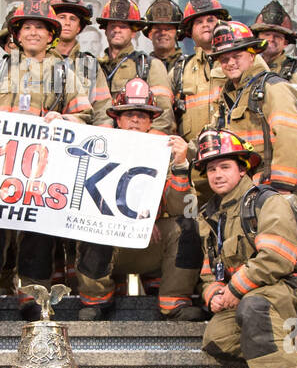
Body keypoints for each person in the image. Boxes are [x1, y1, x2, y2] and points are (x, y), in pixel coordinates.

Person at [0, 0, 95, 325]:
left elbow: (86, 118)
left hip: (43, 172)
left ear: (51, 35)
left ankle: (34, 297)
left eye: (41, 28)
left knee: (39, 235)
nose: (33, 33)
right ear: (16, 34)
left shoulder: (65, 74)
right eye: (27, 27)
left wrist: (66, 120)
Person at [193, 128, 297, 368]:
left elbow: (278, 258)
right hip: (248, 293)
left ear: (242, 169)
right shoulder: (210, 216)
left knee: (254, 308)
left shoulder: (267, 201)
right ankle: (295, 346)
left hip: (292, 287)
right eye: (211, 169)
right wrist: (214, 294)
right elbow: (209, 271)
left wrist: (235, 288)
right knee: (217, 338)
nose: (217, 174)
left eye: (225, 166)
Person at [76, 79, 203, 320]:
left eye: (142, 116)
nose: (135, 120)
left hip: (149, 245)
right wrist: (136, 222)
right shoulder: (96, 147)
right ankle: (95, 302)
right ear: (117, 118)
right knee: (88, 223)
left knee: (187, 225)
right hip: (111, 242)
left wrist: (180, 165)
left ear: (151, 121)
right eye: (129, 114)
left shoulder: (167, 152)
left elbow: (182, 207)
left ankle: (173, 302)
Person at [209, 20, 297, 204]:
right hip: (250, 191)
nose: (230, 63)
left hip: (278, 190)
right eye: (224, 59)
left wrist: (280, 189)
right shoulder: (228, 96)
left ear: (252, 55)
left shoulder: (273, 87)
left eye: (237, 56)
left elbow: (291, 138)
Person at [96, 0, 174, 133]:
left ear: (133, 32)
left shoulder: (150, 65)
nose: (117, 30)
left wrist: (145, 146)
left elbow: (164, 116)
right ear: (105, 30)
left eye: (123, 26)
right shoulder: (94, 68)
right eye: (113, 25)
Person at [175, 0, 230, 144]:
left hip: (231, 152)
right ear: (189, 32)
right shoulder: (179, 70)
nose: (205, 25)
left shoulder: (237, 61)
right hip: (193, 157)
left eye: (210, 20)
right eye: (199, 22)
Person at [251, 0, 297, 95]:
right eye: (267, 34)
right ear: (257, 38)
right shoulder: (248, 68)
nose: (271, 39)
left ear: (286, 42)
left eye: (277, 36)